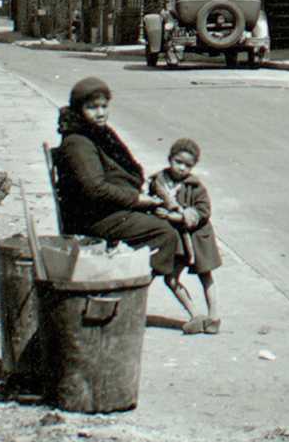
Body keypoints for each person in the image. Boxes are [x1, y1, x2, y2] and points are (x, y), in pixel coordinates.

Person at [50, 77, 199, 325]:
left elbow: (122, 172)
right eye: (92, 107)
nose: (100, 113)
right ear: (79, 109)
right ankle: (123, 298)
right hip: (90, 216)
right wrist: (137, 200)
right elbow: (94, 188)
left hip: (108, 209)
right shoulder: (78, 141)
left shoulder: (98, 133)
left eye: (104, 106)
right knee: (164, 233)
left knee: (167, 225)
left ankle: (124, 293)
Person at [148, 137, 224, 335]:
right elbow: (151, 201)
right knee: (171, 278)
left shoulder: (195, 187)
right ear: (169, 158)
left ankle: (214, 317)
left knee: (205, 274)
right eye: (178, 162)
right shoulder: (158, 182)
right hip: (176, 239)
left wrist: (176, 215)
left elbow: (203, 212)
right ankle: (195, 316)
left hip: (198, 237)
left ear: (193, 166)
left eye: (187, 165)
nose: (181, 168)